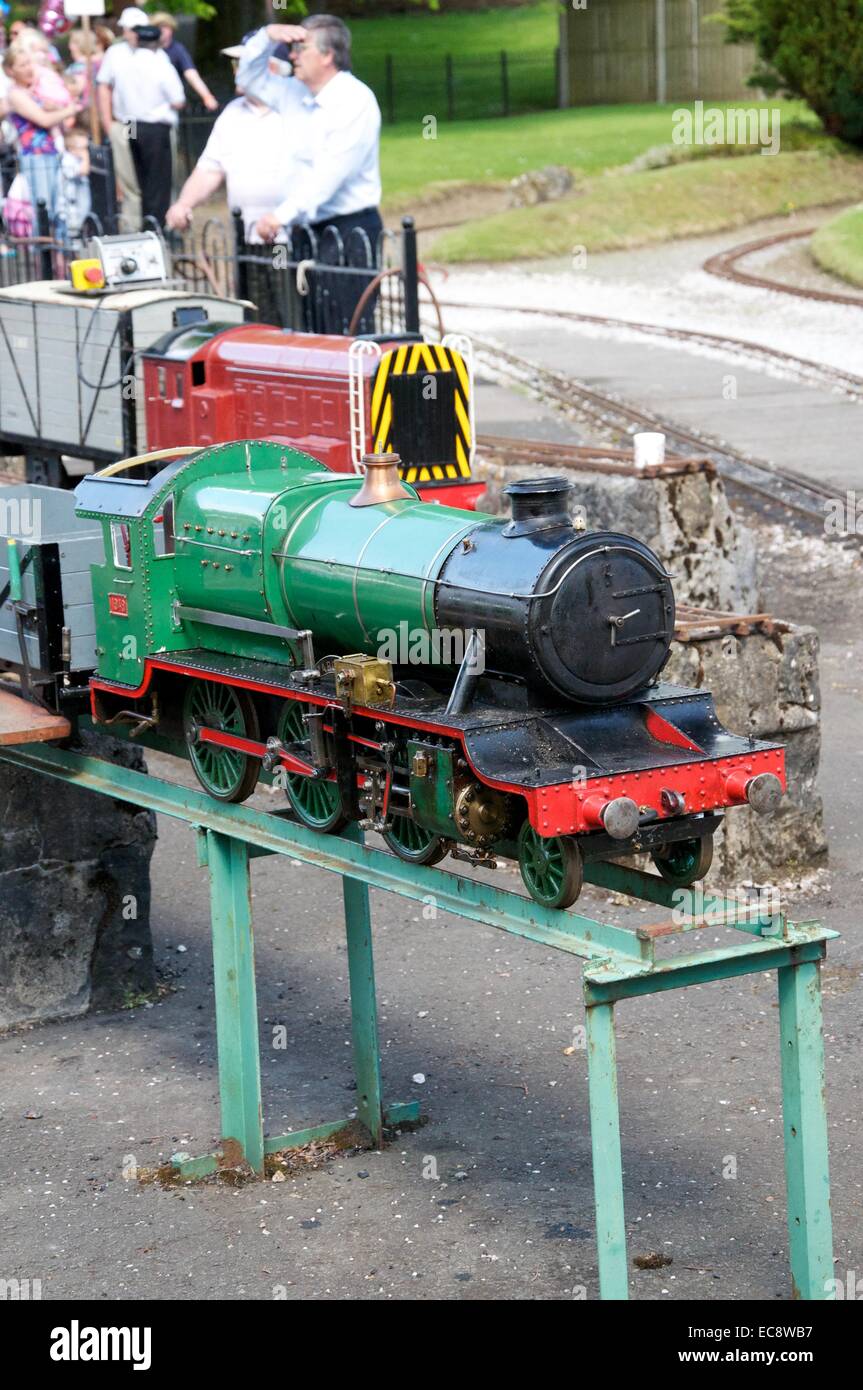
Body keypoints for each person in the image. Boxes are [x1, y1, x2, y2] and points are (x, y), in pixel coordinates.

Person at [236, 16, 381, 257]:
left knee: (347, 297)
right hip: (303, 229)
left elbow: (330, 175)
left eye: (300, 49)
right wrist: (267, 36)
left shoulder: (354, 100)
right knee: (305, 295)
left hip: (348, 230)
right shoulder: (292, 92)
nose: (292, 56)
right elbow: (247, 78)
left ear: (327, 56)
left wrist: (280, 216)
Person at [166, 47, 293, 243]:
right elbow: (210, 169)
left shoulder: (297, 109)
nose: (235, 71)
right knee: (251, 274)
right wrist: (184, 204)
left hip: (290, 237)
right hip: (246, 237)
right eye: (234, 64)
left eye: (241, 64)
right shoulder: (232, 113)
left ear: (272, 68)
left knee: (283, 272)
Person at [97, 12, 184, 229]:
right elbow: (178, 99)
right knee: (148, 179)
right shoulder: (152, 61)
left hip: (133, 124)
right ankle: (150, 228)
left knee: (139, 174)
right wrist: (108, 124)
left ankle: (147, 227)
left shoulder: (132, 61)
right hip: (149, 126)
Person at [3, 41, 80, 224]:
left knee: (61, 211)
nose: (29, 69)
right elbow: (43, 120)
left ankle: (61, 251)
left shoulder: (34, 90)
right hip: (35, 157)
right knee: (44, 211)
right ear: (10, 70)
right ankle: (43, 252)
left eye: (30, 63)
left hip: (53, 152)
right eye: (22, 65)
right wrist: (70, 110)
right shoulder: (15, 94)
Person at [152, 12, 218, 112]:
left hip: (169, 105)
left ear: (171, 29)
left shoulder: (178, 50)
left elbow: (191, 74)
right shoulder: (146, 49)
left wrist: (207, 96)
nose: (161, 30)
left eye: (164, 26)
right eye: (158, 27)